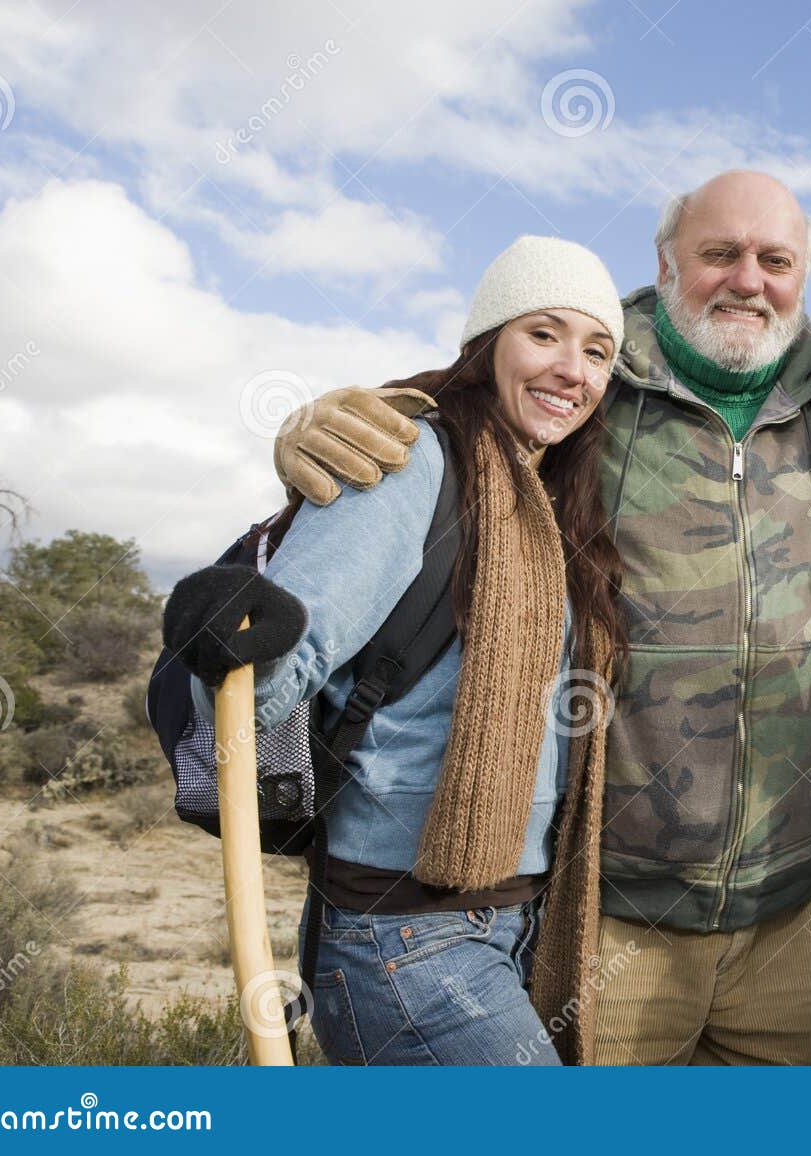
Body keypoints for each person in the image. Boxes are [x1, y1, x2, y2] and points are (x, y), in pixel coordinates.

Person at [270, 171, 811, 1064]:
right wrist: (316, 430)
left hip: (786, 911)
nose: (748, 279)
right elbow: (463, 440)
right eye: (720, 254)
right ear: (667, 264)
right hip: (614, 914)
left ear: (801, 279)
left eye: (775, 260)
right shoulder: (590, 392)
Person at [161, 236, 627, 1065]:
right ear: (486, 346)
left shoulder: (549, 503)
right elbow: (283, 660)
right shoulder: (413, 458)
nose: (573, 370)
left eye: (597, 351)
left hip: (509, 924)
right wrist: (239, 637)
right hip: (407, 937)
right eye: (545, 335)